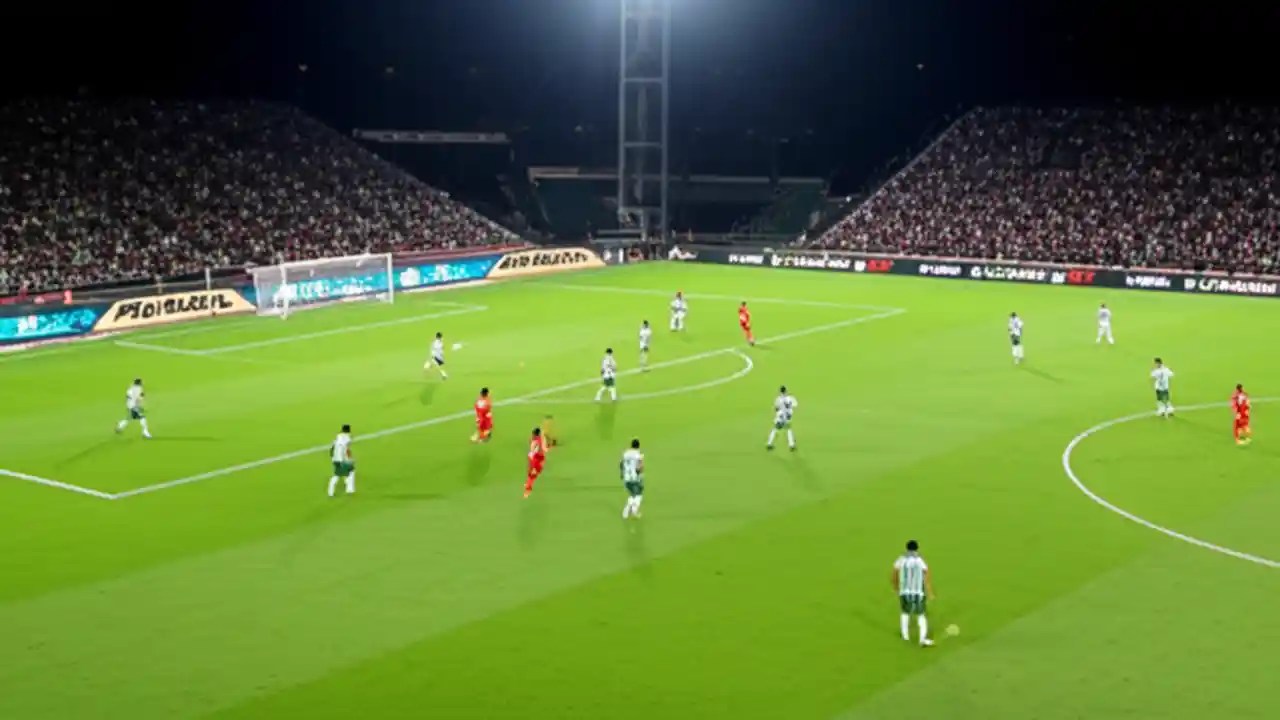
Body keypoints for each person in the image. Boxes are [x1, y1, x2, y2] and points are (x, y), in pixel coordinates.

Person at [892, 539, 935, 647]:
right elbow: (926, 573)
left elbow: (895, 573)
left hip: (904, 591)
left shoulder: (901, 559)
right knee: (921, 614)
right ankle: (922, 639)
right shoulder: (919, 560)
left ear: (907, 548)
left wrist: (896, 587)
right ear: (917, 548)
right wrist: (929, 591)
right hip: (918, 591)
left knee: (905, 613)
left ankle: (905, 636)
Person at [327, 424, 356, 497]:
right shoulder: (347, 438)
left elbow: (331, 448)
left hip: (335, 459)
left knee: (348, 471)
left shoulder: (338, 437)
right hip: (342, 460)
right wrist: (350, 459)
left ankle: (348, 489)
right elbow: (347, 450)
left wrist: (332, 457)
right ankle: (332, 492)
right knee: (338, 475)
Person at [767, 386, 798, 451]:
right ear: (786, 391)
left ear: (780, 391)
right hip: (787, 417)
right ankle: (791, 445)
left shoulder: (778, 399)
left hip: (780, 418)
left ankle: (769, 443)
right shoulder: (791, 398)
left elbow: (776, 408)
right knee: (788, 429)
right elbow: (795, 405)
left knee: (775, 429)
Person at [620, 438, 645, 519]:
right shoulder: (639, 454)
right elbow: (640, 466)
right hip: (635, 478)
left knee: (634, 494)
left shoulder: (625, 453)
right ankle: (629, 509)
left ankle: (632, 510)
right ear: (638, 446)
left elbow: (621, 464)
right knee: (638, 495)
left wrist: (622, 473)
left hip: (627, 478)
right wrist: (640, 473)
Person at [524, 427, 548, 498]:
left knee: (531, 474)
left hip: (533, 457)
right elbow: (544, 449)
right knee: (532, 475)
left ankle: (527, 488)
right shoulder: (542, 439)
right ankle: (527, 489)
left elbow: (532, 449)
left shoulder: (534, 440)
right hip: (537, 459)